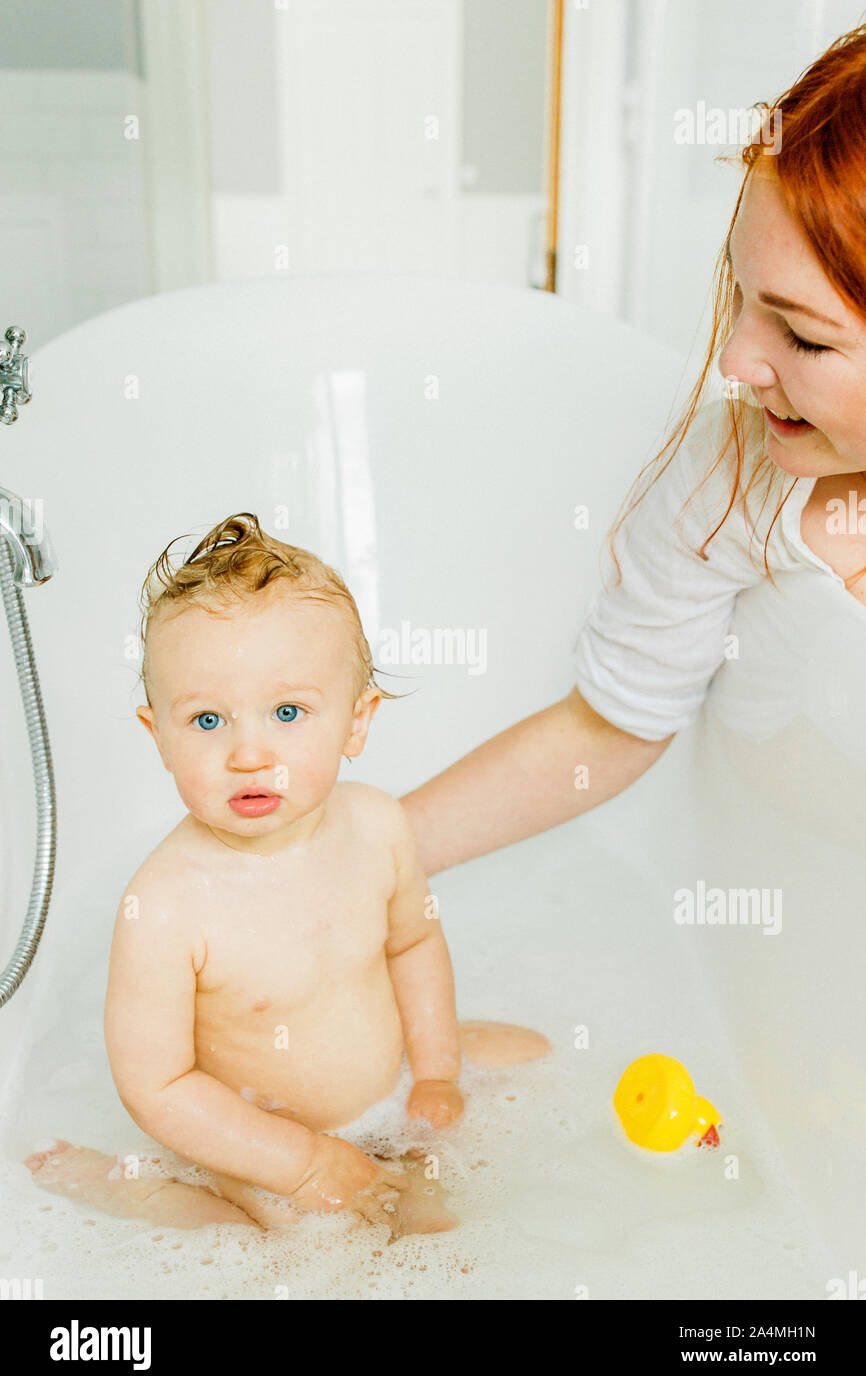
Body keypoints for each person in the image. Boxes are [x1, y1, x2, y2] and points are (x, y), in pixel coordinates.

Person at [401, 23, 866, 877]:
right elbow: (612, 724)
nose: (733, 361)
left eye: (801, 337)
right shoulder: (735, 476)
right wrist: (378, 852)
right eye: (740, 294)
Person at [25, 514, 548, 1235]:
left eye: (288, 712)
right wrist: (303, 1164)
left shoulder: (377, 828)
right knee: (234, 1229)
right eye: (208, 721)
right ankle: (121, 1182)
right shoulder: (167, 904)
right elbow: (158, 1087)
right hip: (247, 1146)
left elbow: (412, 947)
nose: (248, 753)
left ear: (356, 723)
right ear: (161, 740)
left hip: (384, 1089)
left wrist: (434, 1071)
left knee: (536, 1059)